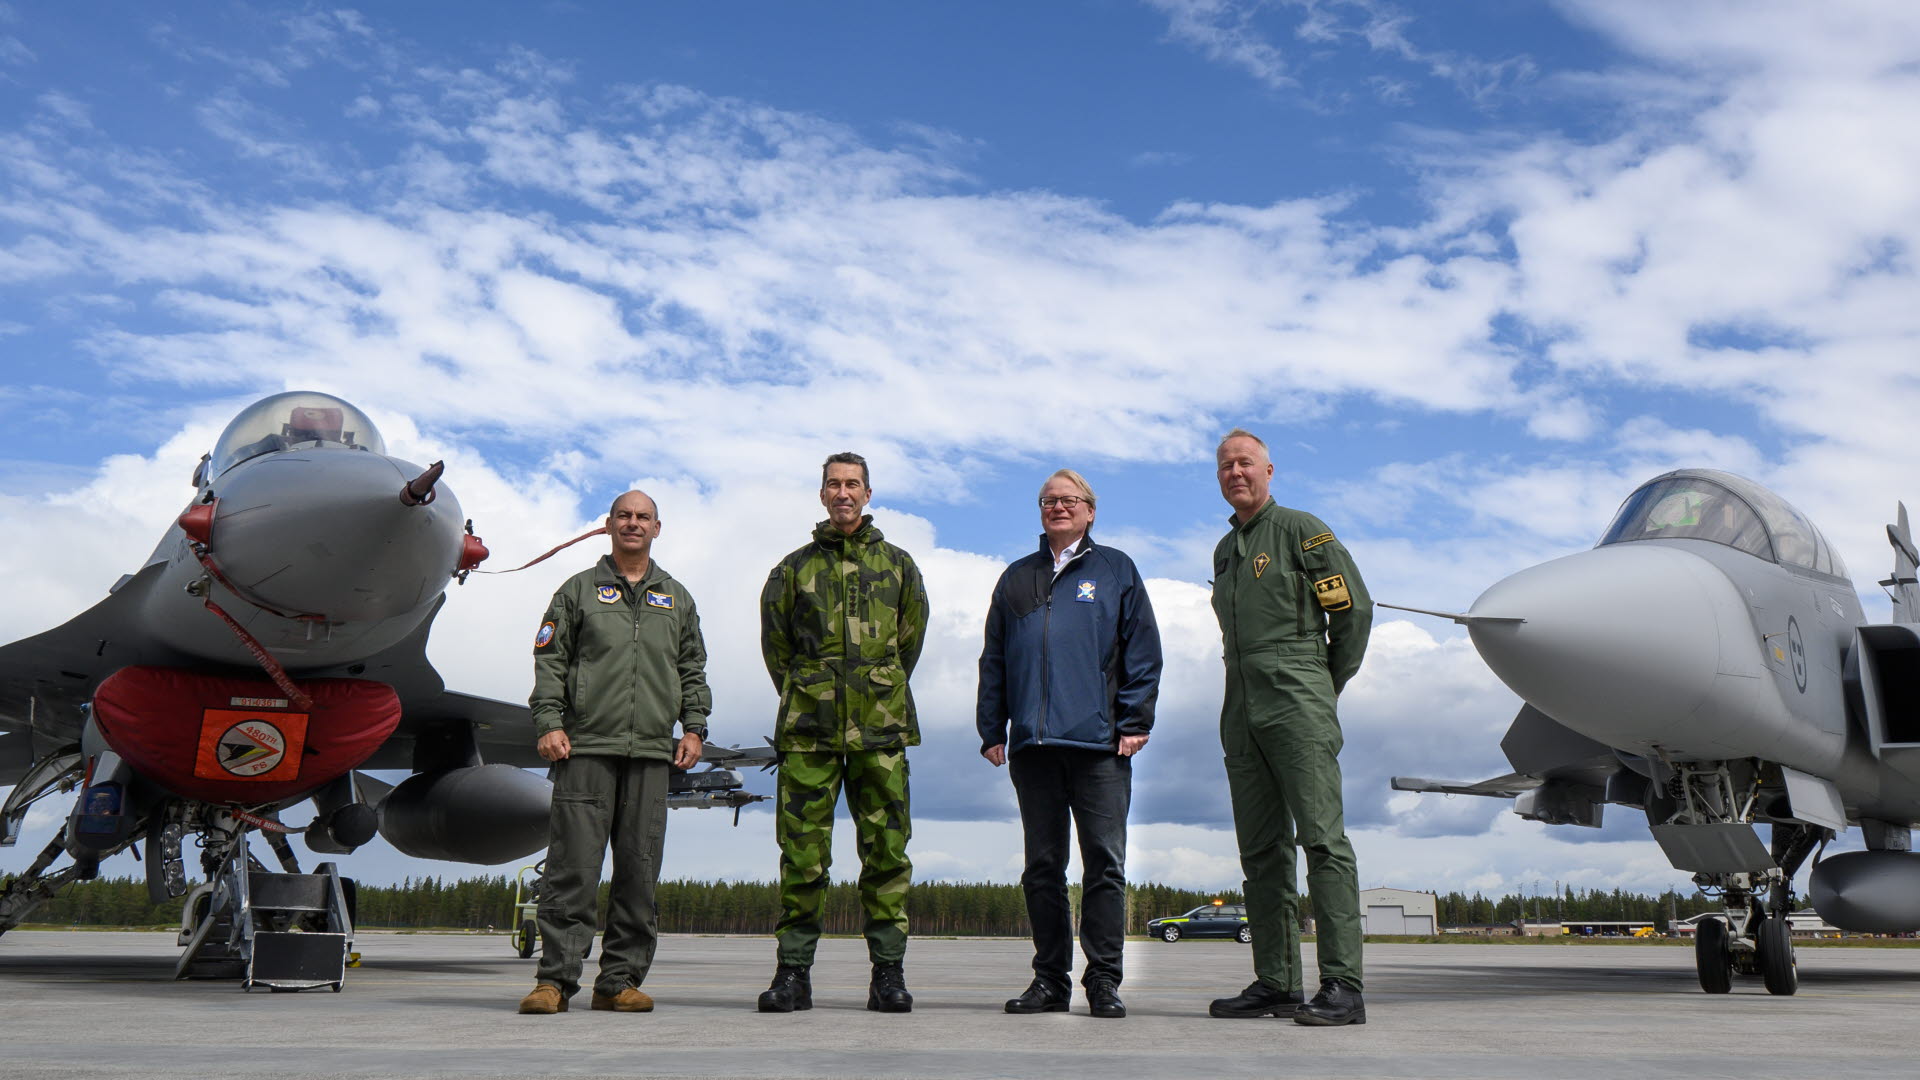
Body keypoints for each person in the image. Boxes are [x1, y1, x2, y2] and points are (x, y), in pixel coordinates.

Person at [977, 469, 1162, 1019]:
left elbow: (1143, 651)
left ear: (1090, 510)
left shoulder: (1115, 570)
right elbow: (994, 657)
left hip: (1100, 745)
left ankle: (1103, 981)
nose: (1058, 507)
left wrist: (1135, 720)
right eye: (1048, 501)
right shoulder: (1016, 577)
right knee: (1042, 867)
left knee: (1104, 865)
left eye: (1069, 500)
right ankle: (1050, 981)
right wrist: (993, 726)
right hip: (1033, 747)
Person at [517, 490, 710, 1015]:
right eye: (624, 515)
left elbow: (691, 668)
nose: (632, 523)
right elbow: (550, 660)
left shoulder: (677, 597)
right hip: (585, 749)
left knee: (639, 872)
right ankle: (553, 982)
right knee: (571, 870)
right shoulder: (577, 591)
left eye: (642, 517)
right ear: (608, 525)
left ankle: (618, 981)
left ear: (656, 528)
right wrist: (549, 722)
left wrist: (694, 728)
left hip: (651, 753)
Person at [1209, 429, 1373, 1027]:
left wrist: (1323, 683)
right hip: (1241, 704)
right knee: (1261, 851)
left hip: (1298, 694)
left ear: (1269, 470)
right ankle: (1277, 981)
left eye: (1245, 463)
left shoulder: (1303, 530)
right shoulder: (1226, 551)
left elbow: (1352, 609)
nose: (1235, 472)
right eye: (1225, 466)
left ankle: (1343, 987)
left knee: (1323, 842)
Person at [757, 452, 929, 1014]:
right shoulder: (792, 570)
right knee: (802, 856)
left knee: (887, 854)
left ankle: (888, 974)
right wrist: (814, 691)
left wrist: (874, 693)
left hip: (880, 735)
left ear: (868, 493)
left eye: (853, 484)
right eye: (833, 484)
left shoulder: (899, 567)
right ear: (822, 494)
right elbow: (776, 649)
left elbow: (909, 644)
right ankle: (793, 974)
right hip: (809, 733)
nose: (843, 493)